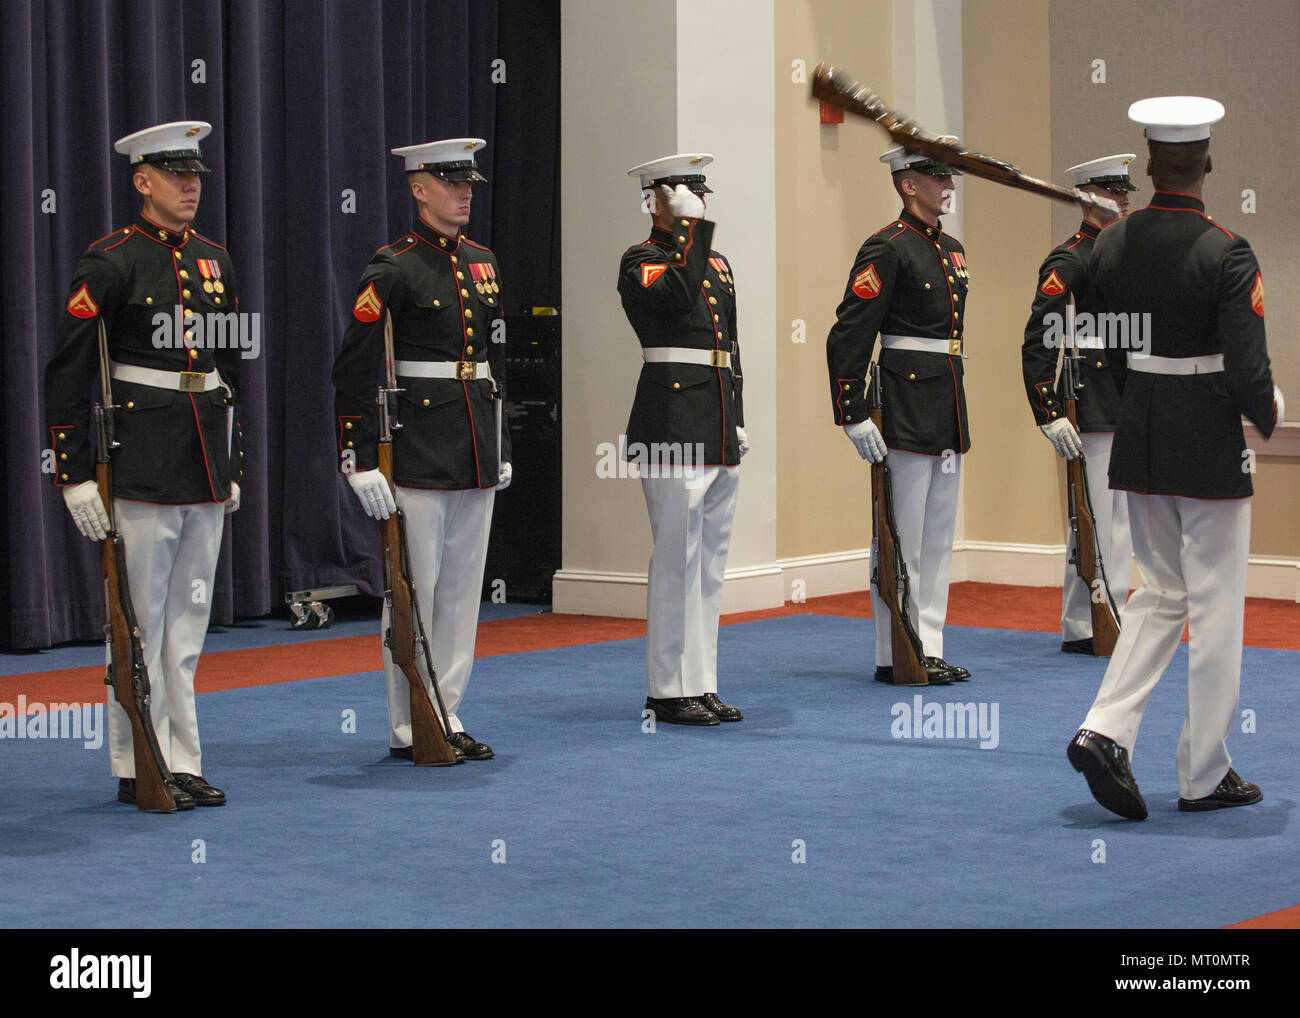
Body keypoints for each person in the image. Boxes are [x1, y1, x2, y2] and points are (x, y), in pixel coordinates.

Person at [1067, 97, 1283, 819]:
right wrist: (1269, 415)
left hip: (1141, 433)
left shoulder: (1110, 245)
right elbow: (1250, 371)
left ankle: (1104, 730)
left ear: (1152, 163)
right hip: (1210, 445)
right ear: (1208, 164)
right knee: (1215, 607)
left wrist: (1143, 402)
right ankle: (1203, 771)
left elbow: (1101, 341)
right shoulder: (1227, 250)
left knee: (1158, 594)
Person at [45, 121, 244, 808]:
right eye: (174, 173)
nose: (190, 185)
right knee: (138, 620)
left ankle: (183, 757)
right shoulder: (112, 260)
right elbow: (69, 369)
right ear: (142, 180)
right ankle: (137, 759)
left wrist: (230, 460)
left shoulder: (216, 258)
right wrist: (70, 471)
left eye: (195, 174)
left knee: (188, 623)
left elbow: (225, 371)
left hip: (201, 460)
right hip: (142, 457)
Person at [333, 137, 508, 762]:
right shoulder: (394, 267)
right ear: (418, 188)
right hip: (417, 445)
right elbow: (353, 370)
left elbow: (494, 361)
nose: (464, 192)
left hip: (473, 444)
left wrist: (501, 438)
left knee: (462, 593)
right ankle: (413, 720)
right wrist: (355, 459)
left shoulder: (483, 261)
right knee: (415, 591)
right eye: (451, 182)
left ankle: (448, 712)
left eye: (469, 183)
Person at [825, 139, 972, 686]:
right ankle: (896, 649)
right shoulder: (886, 248)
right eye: (937, 177)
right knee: (901, 531)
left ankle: (928, 644)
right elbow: (851, 329)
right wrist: (852, 409)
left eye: (949, 177)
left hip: (947, 400)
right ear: (909, 185)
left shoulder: (951, 248)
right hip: (905, 400)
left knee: (937, 535)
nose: (948, 185)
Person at [618, 153, 747, 726]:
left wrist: (737, 416)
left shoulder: (715, 263)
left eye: (700, 196)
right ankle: (666, 688)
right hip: (669, 420)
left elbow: (729, 348)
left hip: (716, 417)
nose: (698, 205)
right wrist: (690, 233)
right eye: (683, 196)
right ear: (654, 202)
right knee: (676, 557)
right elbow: (673, 298)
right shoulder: (640, 260)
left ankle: (702, 680)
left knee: (710, 562)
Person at [1022, 154, 1136, 654]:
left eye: (1126, 189)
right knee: (1093, 517)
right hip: (1089, 402)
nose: (1126, 197)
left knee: (1118, 521)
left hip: (1125, 400)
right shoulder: (1070, 258)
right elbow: (1040, 340)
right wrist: (1048, 410)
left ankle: (1097, 617)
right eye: (1115, 189)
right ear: (1089, 197)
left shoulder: (1123, 252)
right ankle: (1091, 618)